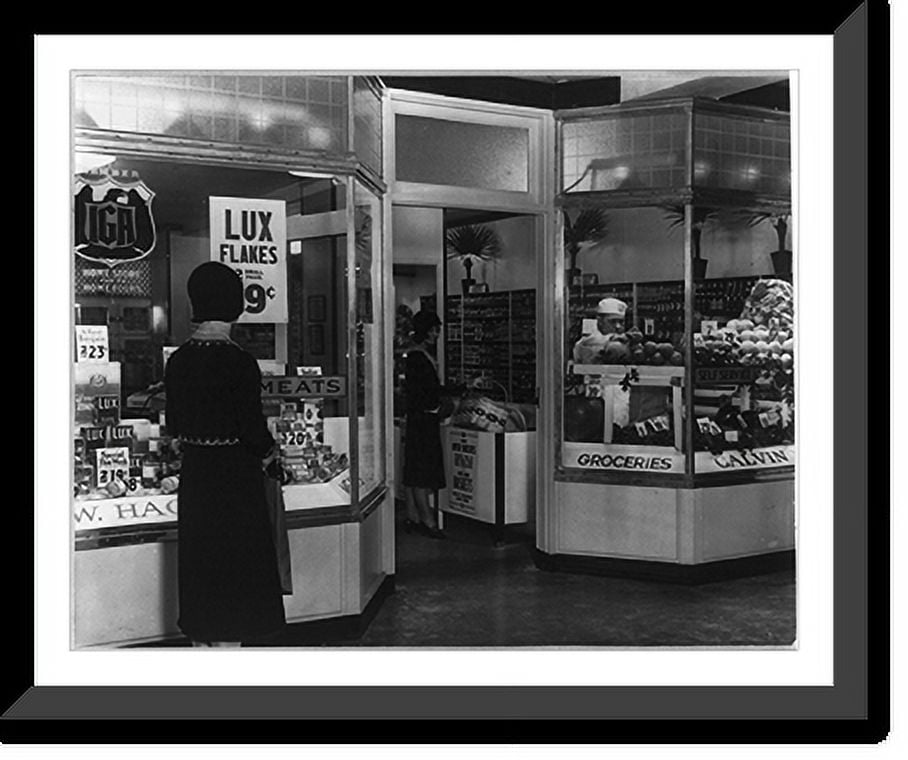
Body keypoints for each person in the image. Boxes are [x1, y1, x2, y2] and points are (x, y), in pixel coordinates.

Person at [164, 261, 285, 647]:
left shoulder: (179, 359)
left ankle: (202, 645)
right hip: (235, 480)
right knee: (237, 568)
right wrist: (270, 454)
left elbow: (175, 426)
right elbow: (252, 430)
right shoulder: (239, 362)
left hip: (197, 478)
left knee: (202, 564)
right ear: (235, 304)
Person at [401, 309, 459, 540]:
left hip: (419, 419)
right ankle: (428, 521)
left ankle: (414, 517)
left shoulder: (417, 355)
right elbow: (427, 392)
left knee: (415, 471)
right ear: (427, 331)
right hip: (424, 420)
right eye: (435, 330)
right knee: (422, 473)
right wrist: (455, 391)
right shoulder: (419, 358)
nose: (437, 335)